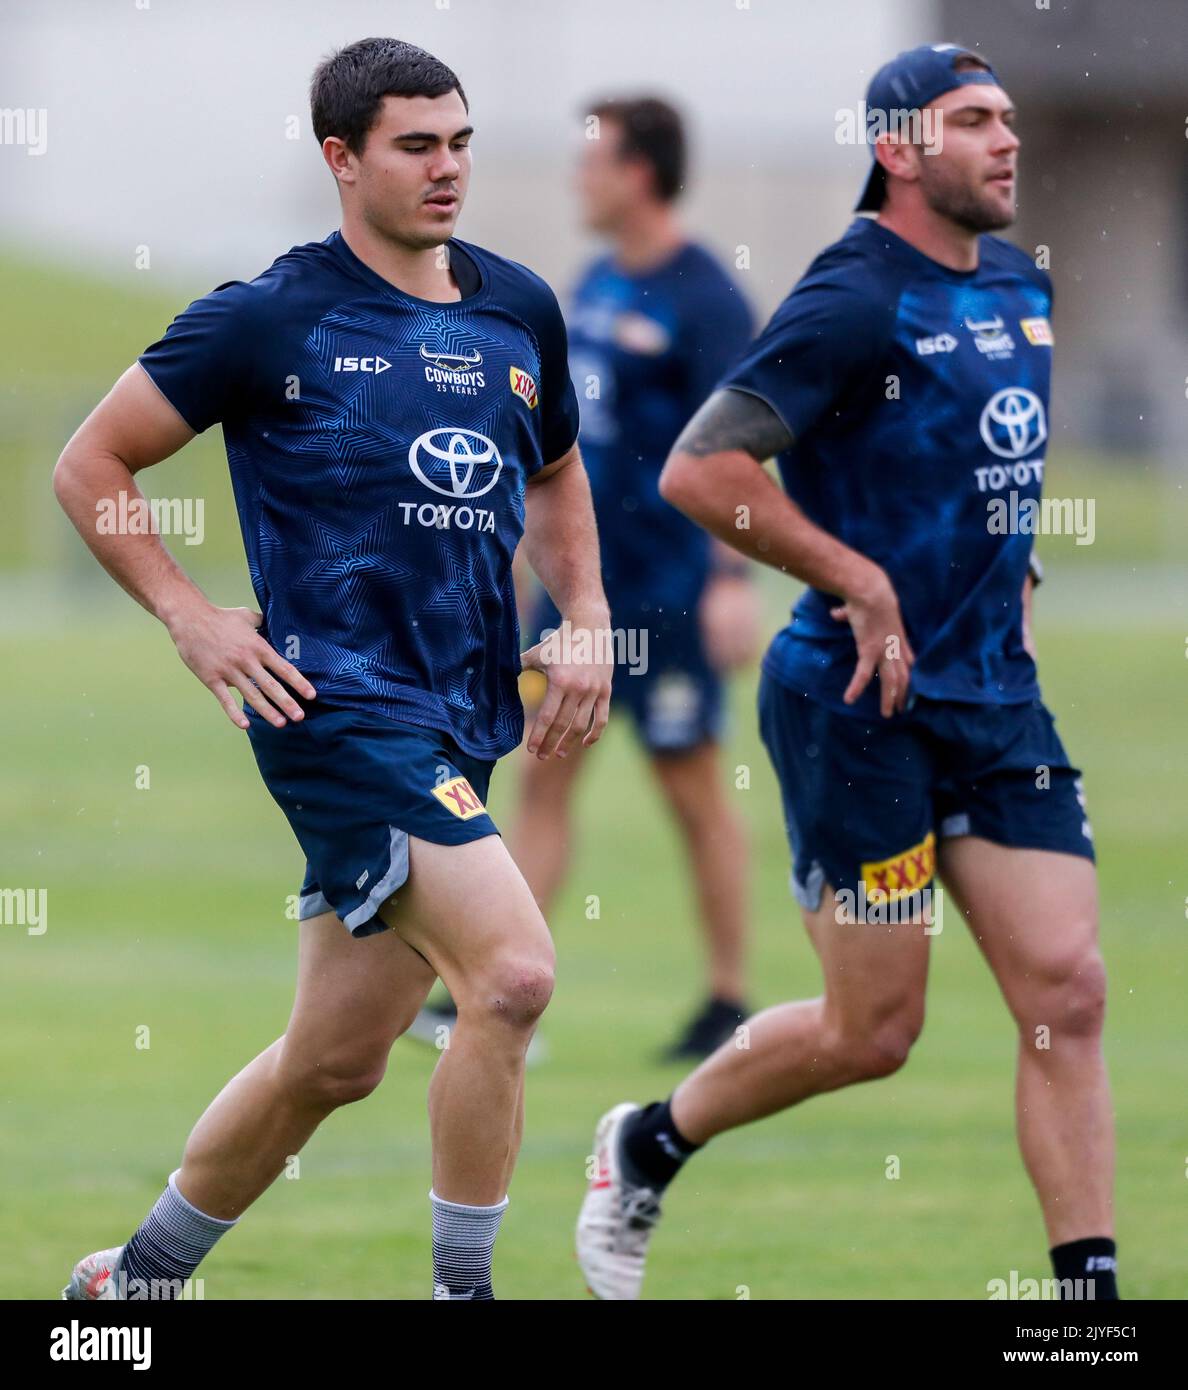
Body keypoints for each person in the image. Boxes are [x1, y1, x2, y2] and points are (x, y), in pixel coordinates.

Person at [53, 36, 611, 1302]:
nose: (448, 168)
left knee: (334, 1061)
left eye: (461, 141)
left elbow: (561, 470)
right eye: (417, 145)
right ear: (341, 158)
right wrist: (193, 617)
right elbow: (90, 466)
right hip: (333, 711)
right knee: (513, 979)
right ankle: (463, 1293)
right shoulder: (271, 315)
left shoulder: (518, 307)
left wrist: (584, 611)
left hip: (461, 717)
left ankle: (133, 1287)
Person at [576, 44, 1116, 1302]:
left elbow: (986, 477)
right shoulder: (854, 299)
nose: (1006, 140)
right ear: (897, 147)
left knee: (1068, 990)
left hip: (994, 701)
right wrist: (861, 581)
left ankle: (1087, 1301)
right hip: (854, 707)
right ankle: (648, 1139)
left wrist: (1013, 579)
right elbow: (702, 472)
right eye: (973, 120)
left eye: (1010, 118)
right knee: (875, 1032)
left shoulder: (1023, 289)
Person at [414, 97, 759, 1062]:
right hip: (577, 595)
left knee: (692, 788)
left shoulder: (707, 298)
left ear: (641, 171)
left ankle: (729, 999)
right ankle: (483, 982)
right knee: (541, 778)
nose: (579, 177)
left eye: (594, 159)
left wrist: (732, 577)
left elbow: (745, 444)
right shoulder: (596, 283)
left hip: (675, 589)